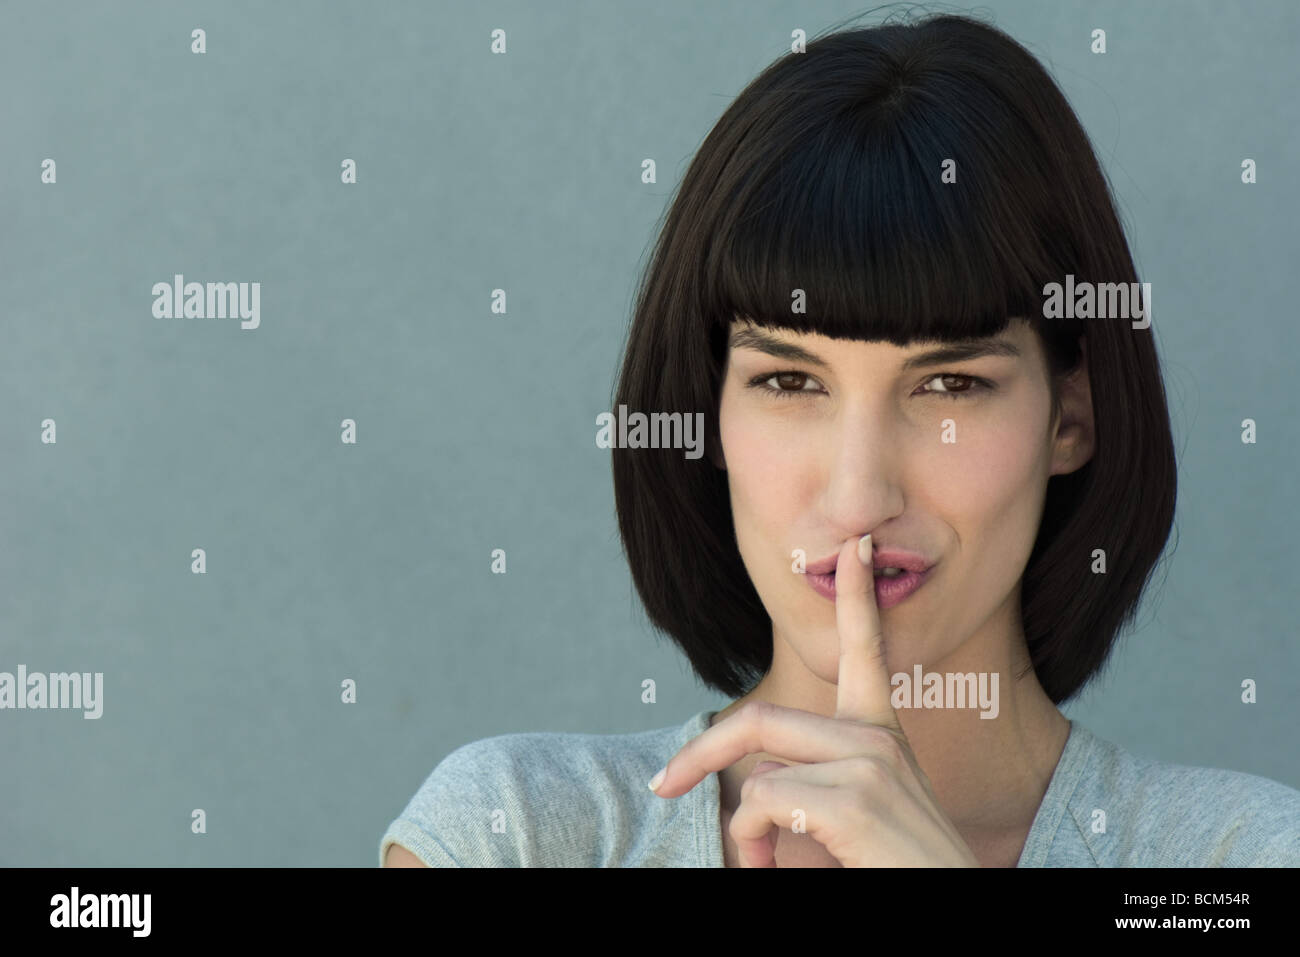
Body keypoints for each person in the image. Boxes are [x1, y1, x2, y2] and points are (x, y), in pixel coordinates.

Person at [379, 12, 1300, 867]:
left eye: (952, 384)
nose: (859, 496)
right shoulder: (515, 834)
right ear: (708, 413)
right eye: (788, 381)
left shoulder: (1228, 864)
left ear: (1071, 417)